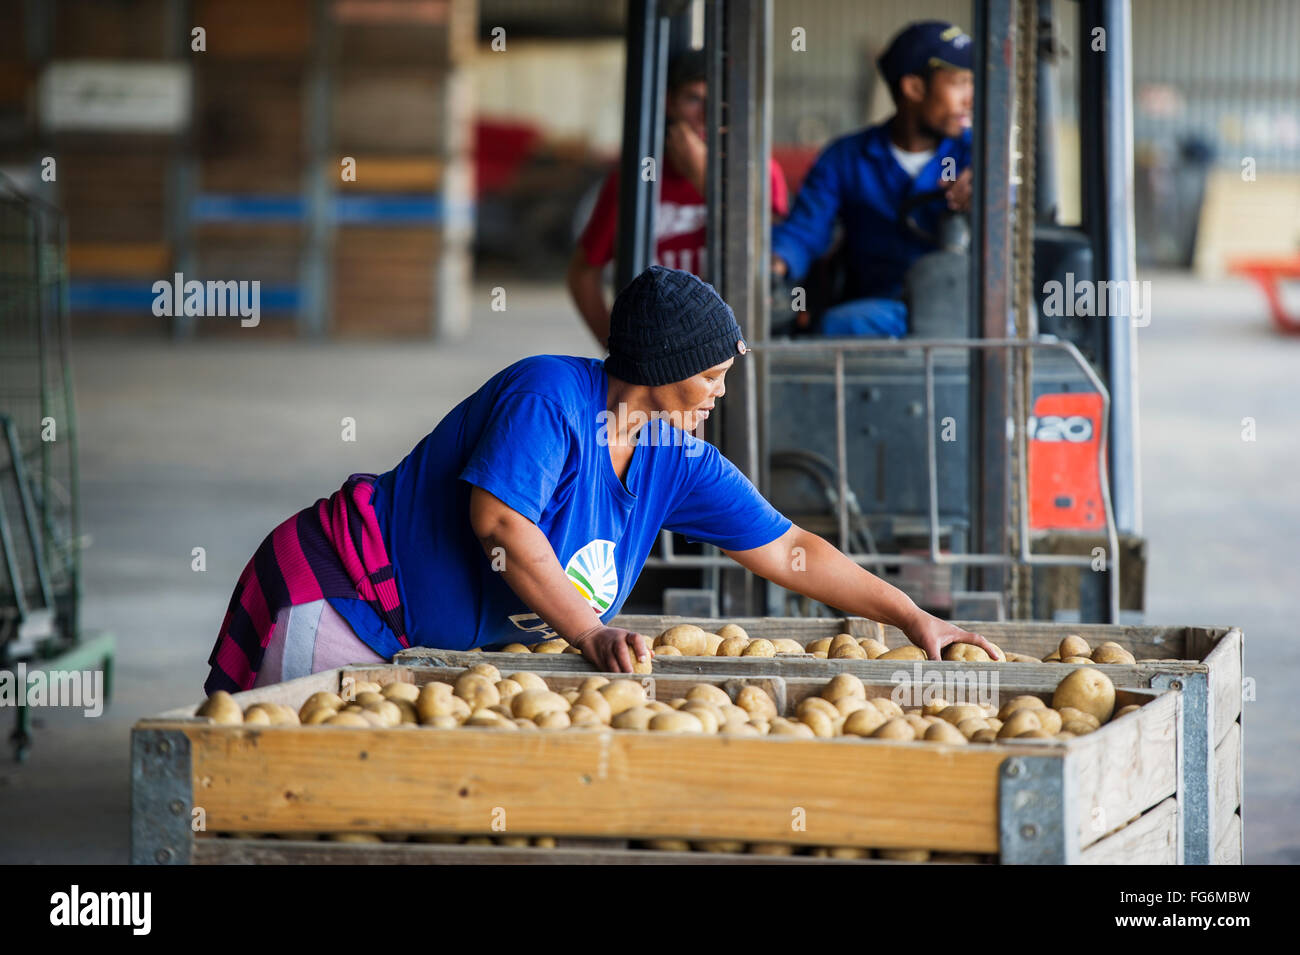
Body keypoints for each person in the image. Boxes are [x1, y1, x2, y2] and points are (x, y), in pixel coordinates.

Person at [205, 267, 996, 692]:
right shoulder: (548, 395)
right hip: (344, 599)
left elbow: (789, 549)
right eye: (713, 375)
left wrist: (912, 617)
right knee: (275, 807)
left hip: (420, 649)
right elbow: (502, 529)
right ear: (664, 370)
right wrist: (587, 631)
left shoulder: (670, 452)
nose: (721, 392)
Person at [568, 50, 789, 347]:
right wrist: (615, 346)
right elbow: (583, 272)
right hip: (658, 343)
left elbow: (773, 255)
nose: (706, 114)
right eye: (694, 99)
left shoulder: (759, 170)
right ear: (669, 103)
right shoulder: (638, 174)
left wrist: (702, 177)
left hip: (731, 343)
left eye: (718, 101)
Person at [771, 20, 975, 337]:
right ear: (914, 88)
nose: (970, 98)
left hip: (964, 312)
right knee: (834, 327)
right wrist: (775, 266)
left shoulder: (981, 155)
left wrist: (990, 193)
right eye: (960, 83)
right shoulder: (845, 158)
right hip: (875, 317)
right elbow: (804, 230)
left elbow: (1012, 217)